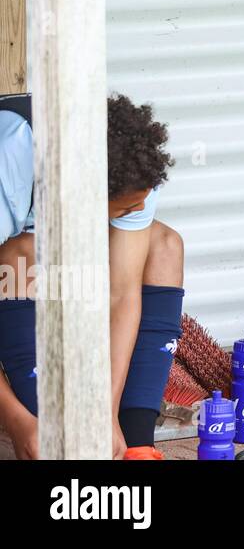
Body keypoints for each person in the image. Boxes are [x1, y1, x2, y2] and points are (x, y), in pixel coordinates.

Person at [0, 94, 185, 459]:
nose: (141, 209)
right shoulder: (11, 163)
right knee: (21, 255)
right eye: (128, 207)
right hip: (22, 250)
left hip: (65, 237)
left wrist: (106, 414)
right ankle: (48, 428)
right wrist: (17, 421)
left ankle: (134, 444)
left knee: (163, 245)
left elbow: (122, 293)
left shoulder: (132, 165)